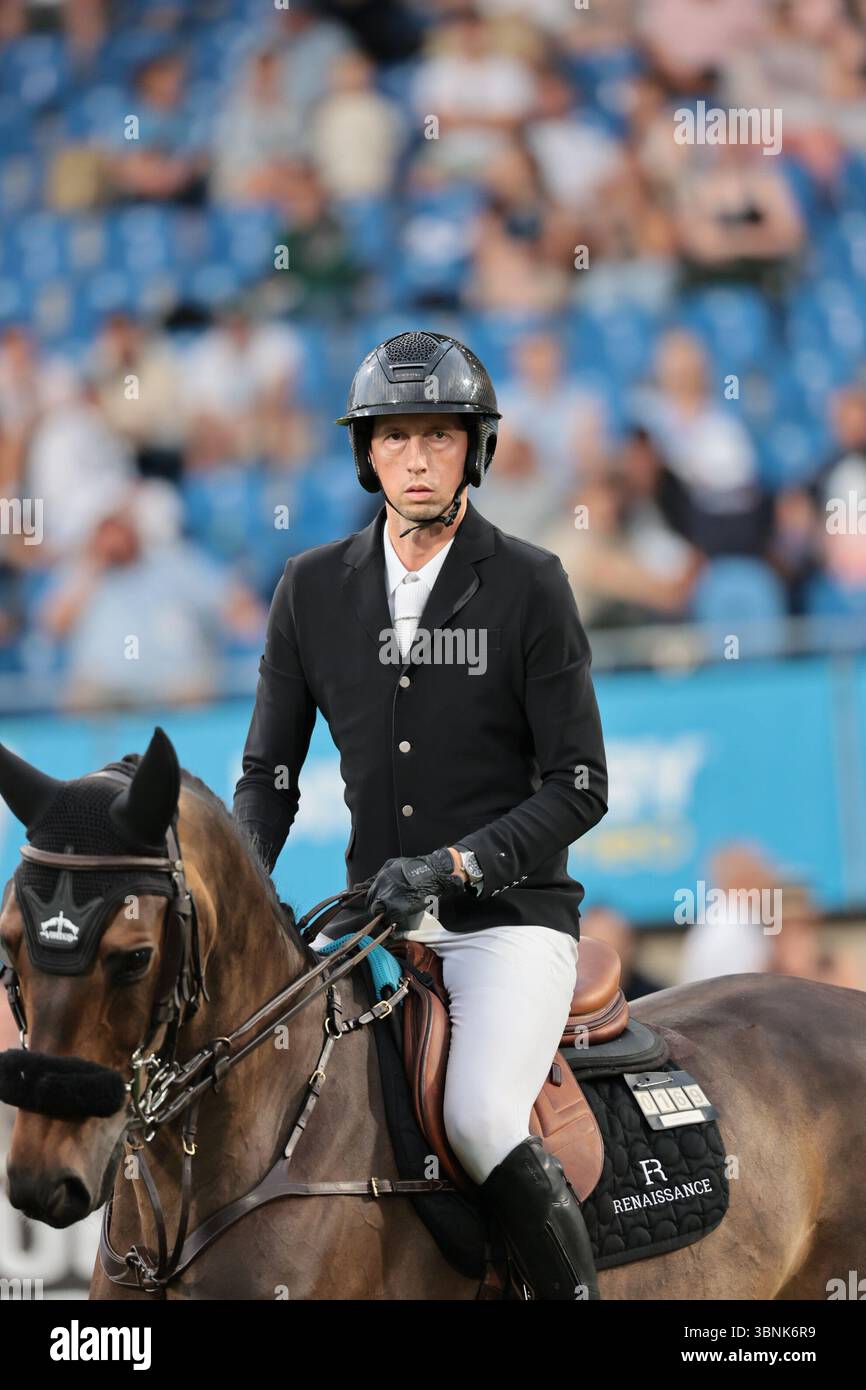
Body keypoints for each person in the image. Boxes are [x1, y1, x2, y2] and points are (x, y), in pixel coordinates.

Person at [233, 330, 608, 1300]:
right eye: (393, 437)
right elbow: (270, 775)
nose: (413, 457)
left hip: (506, 926)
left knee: (482, 1114)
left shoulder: (529, 584)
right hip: (372, 933)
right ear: (366, 453)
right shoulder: (309, 589)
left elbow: (578, 784)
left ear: (472, 449)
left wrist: (453, 867)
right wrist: (237, 887)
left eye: (436, 436)